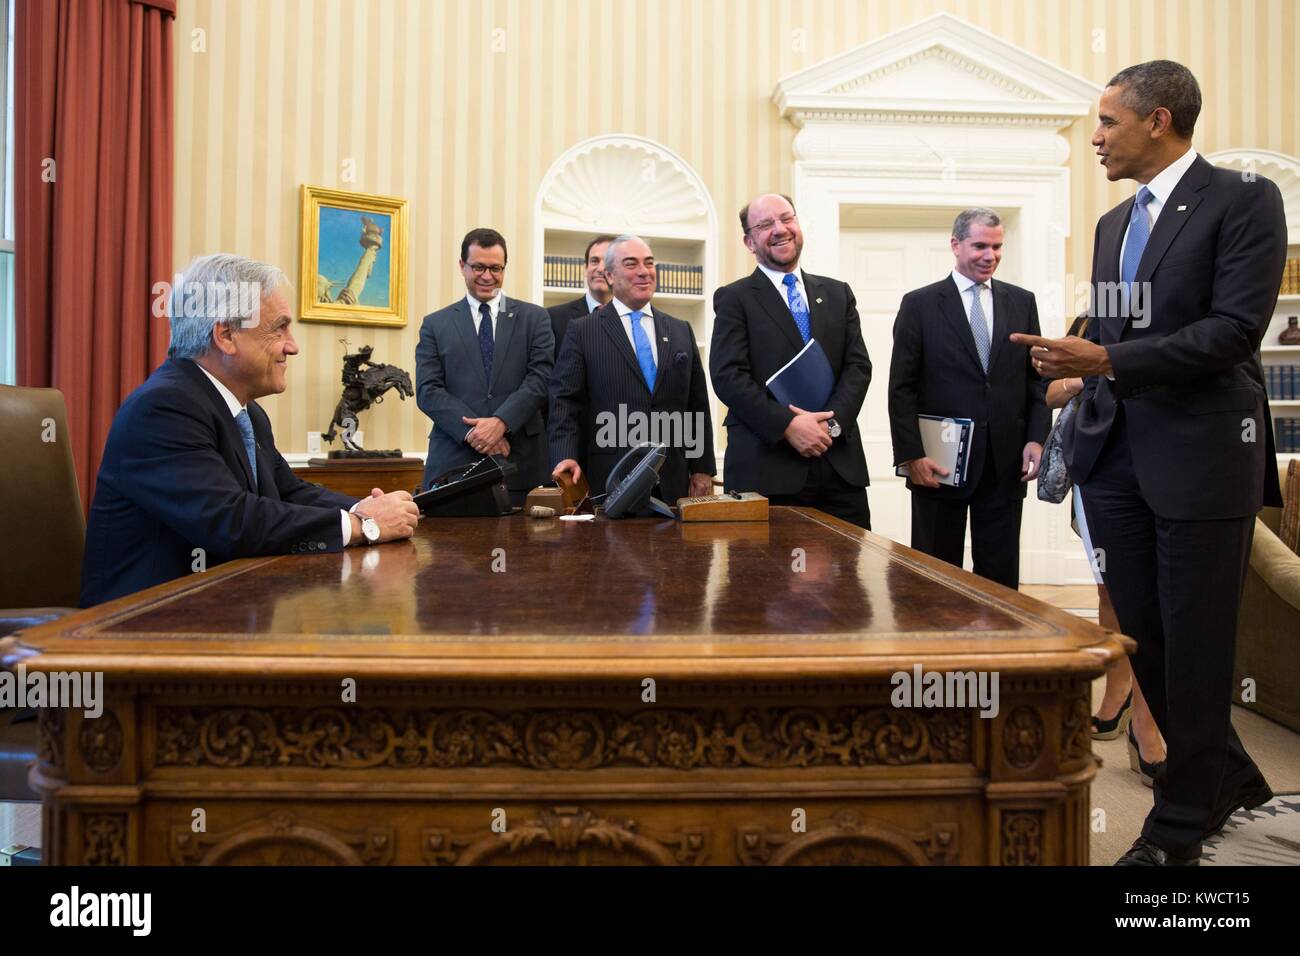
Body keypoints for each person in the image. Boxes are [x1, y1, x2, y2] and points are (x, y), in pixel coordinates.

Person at [1013, 60, 1286, 866]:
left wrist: (1102, 361)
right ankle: (1230, 779)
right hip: (1116, 459)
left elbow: (1235, 331)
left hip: (1204, 456)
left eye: (1106, 122)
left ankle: (1177, 824)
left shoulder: (1243, 200)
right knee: (1148, 645)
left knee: (1196, 645)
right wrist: (1070, 364)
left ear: (1158, 120)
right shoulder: (1111, 224)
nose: (1094, 137)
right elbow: (1116, 335)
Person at [80, 253, 419, 607]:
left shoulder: (247, 412)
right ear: (226, 335)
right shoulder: (164, 408)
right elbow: (231, 521)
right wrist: (362, 525)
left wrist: (365, 507)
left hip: (223, 609)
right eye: (279, 328)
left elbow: (287, 492)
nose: (293, 346)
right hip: (143, 628)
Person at [888, 208, 1049, 589]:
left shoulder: (1021, 302)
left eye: (996, 247)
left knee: (1000, 577)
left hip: (1005, 463)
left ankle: (999, 646)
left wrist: (1038, 438)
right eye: (979, 245)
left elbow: (1036, 380)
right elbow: (901, 388)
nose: (989, 255)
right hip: (939, 463)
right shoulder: (920, 304)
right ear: (956, 245)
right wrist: (910, 456)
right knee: (934, 576)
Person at [1046, 315, 1167, 786]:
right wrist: (1089, 370)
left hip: (1160, 463)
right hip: (1100, 470)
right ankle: (1116, 695)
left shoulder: (1168, 319)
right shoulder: (1089, 322)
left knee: (1151, 599)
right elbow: (1053, 394)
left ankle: (1149, 718)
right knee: (1110, 594)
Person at [709, 193, 872, 528]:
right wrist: (787, 426)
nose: (780, 229)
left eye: (787, 218)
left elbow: (858, 367)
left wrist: (830, 426)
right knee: (767, 580)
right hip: (767, 470)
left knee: (848, 578)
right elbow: (728, 376)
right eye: (766, 224)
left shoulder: (839, 293)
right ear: (749, 241)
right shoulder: (734, 298)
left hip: (838, 466)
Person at [550, 234, 715, 504]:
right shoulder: (583, 330)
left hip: (673, 482)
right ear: (610, 275)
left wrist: (702, 468)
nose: (644, 272)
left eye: (649, 263)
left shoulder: (680, 329)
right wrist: (564, 454)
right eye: (631, 264)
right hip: (611, 479)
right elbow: (565, 401)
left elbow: (697, 405)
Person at [415, 228, 554, 503]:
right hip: (454, 463)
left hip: (520, 462)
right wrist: (475, 433)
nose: (487, 276)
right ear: (462, 266)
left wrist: (502, 423)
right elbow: (428, 390)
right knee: (453, 545)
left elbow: (540, 379)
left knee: (526, 545)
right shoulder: (436, 324)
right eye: (478, 267)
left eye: (495, 268)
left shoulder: (535, 318)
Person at [547, 235, 616, 358]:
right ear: (586, 268)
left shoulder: (633, 319)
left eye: (608, 262)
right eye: (594, 261)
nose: (600, 269)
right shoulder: (553, 318)